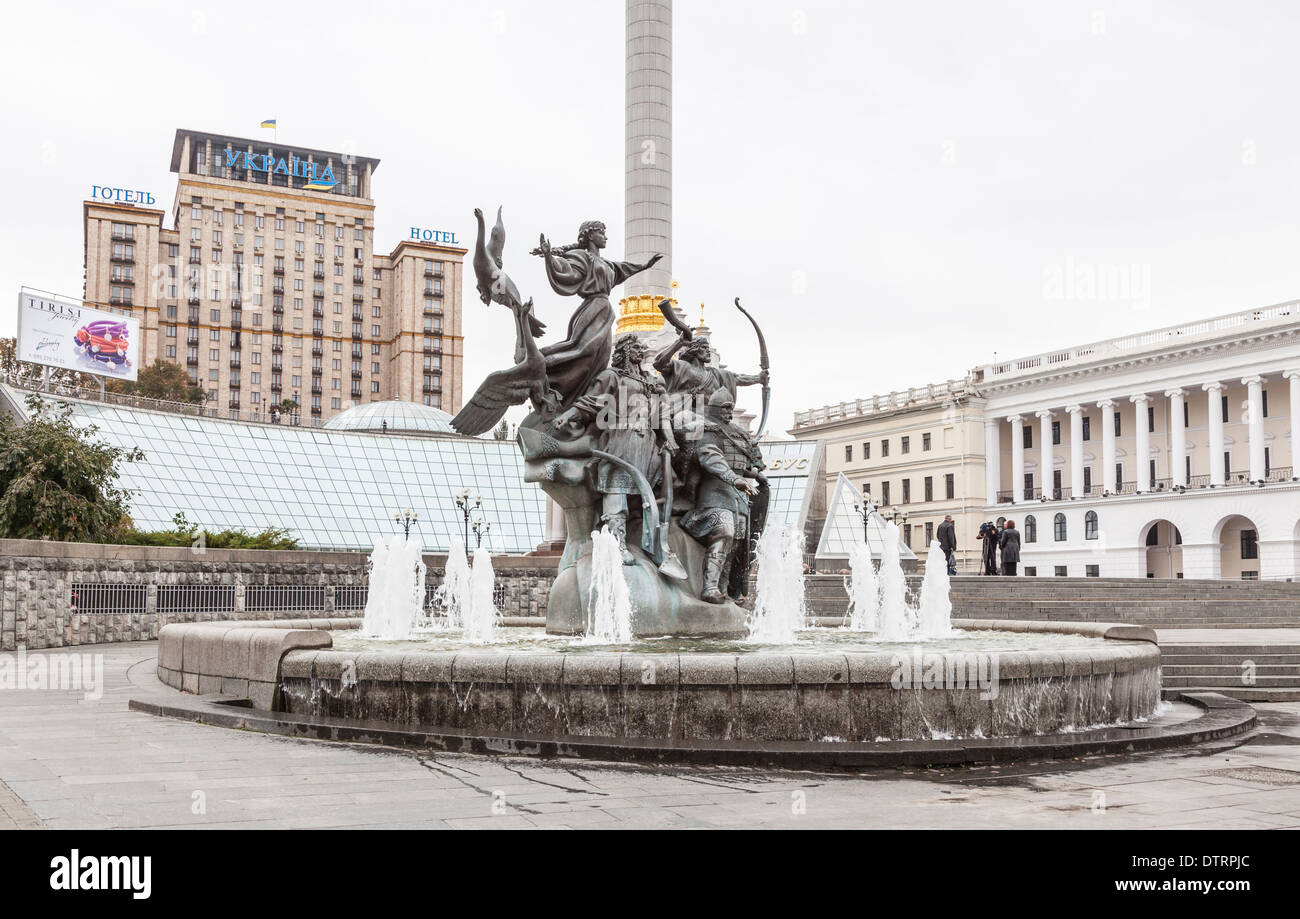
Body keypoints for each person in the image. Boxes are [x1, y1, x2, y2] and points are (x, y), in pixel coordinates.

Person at [532, 221, 661, 410]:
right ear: (590, 235)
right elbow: (569, 275)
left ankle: (585, 404)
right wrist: (549, 257)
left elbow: (625, 269)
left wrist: (645, 265)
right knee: (582, 351)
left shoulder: (607, 264)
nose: (606, 236)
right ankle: (542, 367)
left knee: (600, 359)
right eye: (602, 232)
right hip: (592, 308)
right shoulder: (582, 257)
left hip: (605, 310)